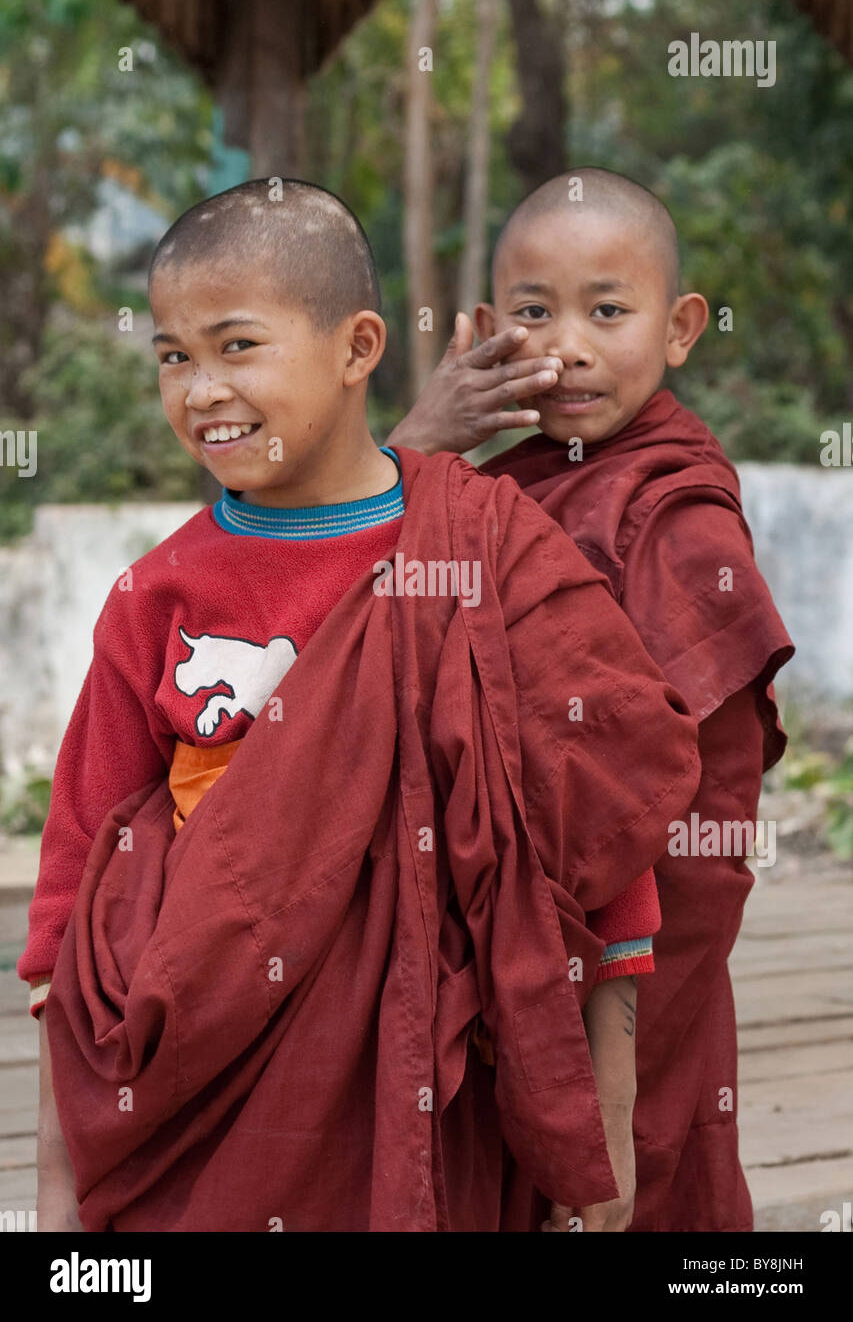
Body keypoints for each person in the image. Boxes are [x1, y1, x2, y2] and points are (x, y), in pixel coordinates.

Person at [20, 177, 700, 1233]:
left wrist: (605, 1112)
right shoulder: (155, 594)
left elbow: (598, 836)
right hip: (205, 1062)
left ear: (357, 346)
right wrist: (59, 1187)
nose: (201, 390)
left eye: (237, 345)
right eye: (172, 355)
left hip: (432, 1059)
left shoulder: (490, 549)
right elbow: (83, 870)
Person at [390, 166, 795, 1232]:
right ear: (483, 328)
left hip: (628, 940)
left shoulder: (674, 509)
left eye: (606, 311)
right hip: (495, 918)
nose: (566, 343)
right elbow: (341, 592)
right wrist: (419, 441)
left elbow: (701, 799)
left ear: (679, 327)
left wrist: (601, 975)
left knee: (633, 1172)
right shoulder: (494, 477)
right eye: (532, 313)